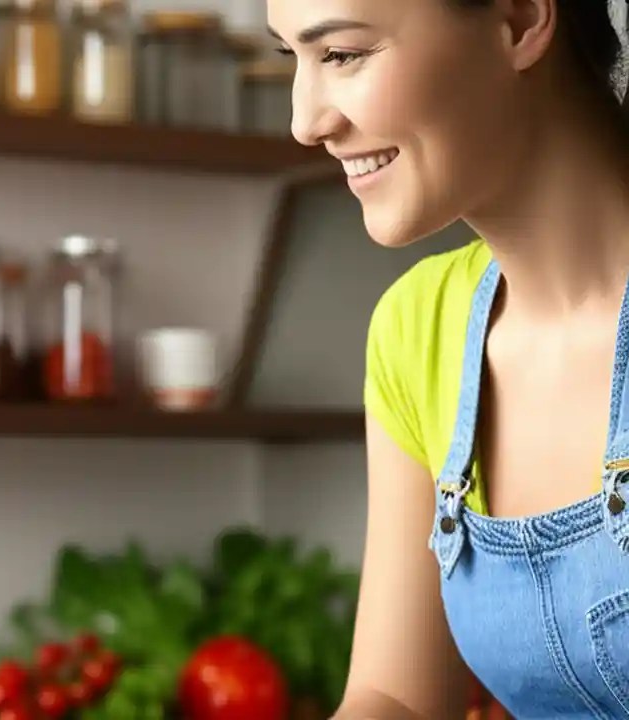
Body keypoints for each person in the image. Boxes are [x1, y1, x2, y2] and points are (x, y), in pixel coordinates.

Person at [267, 0, 629, 717]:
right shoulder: (418, 328)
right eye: (293, 60)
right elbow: (396, 696)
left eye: (341, 55)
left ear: (522, 22)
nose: (305, 121)